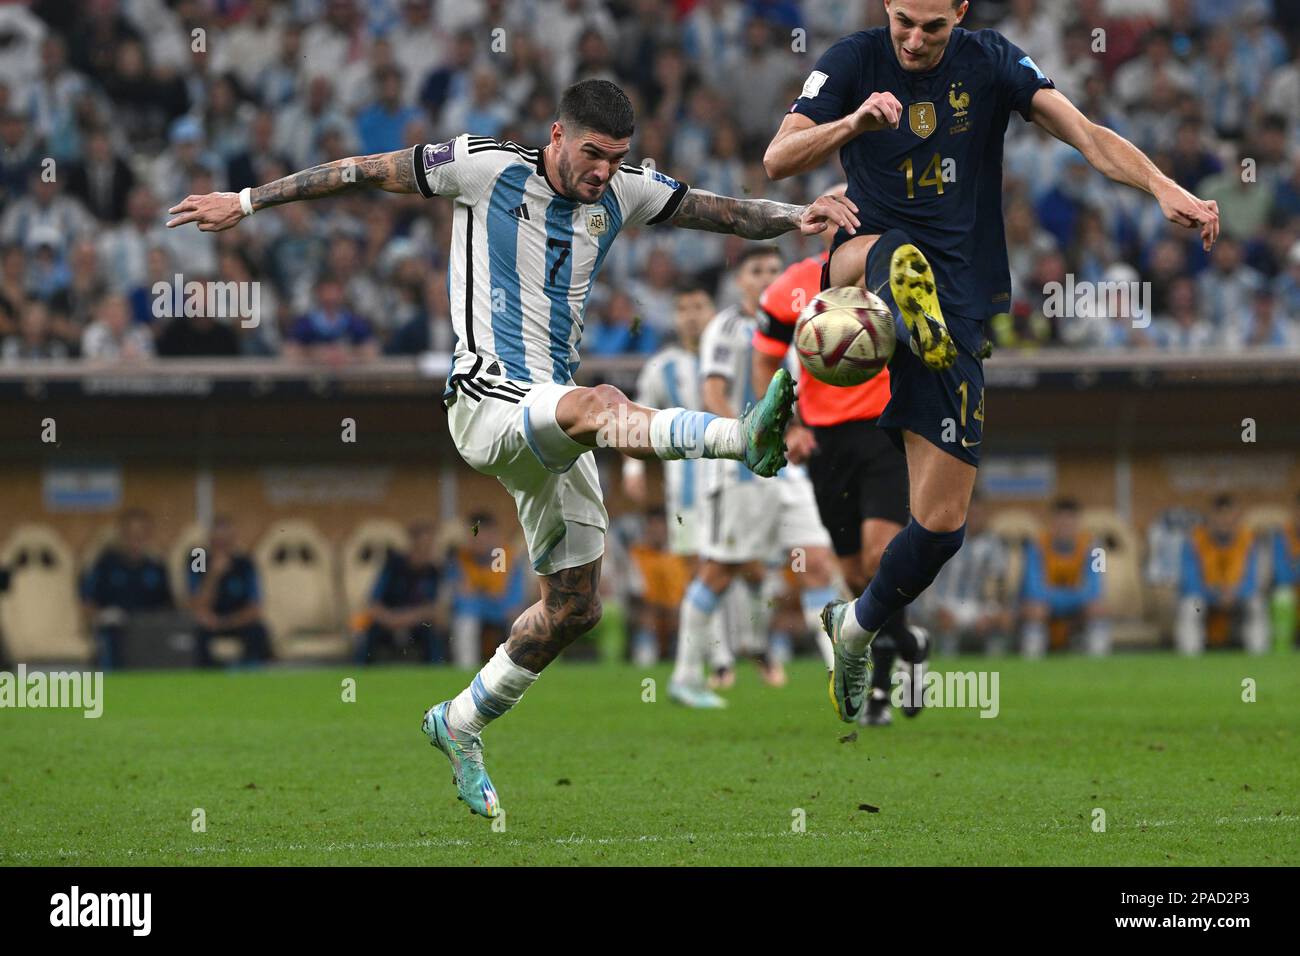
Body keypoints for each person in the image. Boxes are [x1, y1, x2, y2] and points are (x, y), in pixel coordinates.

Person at [166, 76, 860, 818]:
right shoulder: (483, 166)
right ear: (557, 137)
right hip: (487, 399)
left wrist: (798, 213)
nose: (603, 171)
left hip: (553, 420)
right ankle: (741, 436)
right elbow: (361, 170)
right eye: (592, 154)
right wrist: (243, 202)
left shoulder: (623, 190)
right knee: (603, 403)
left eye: (616, 157)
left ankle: (459, 723)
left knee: (574, 608)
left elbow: (719, 213)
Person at [763, 0, 1219, 723]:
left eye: (932, 27)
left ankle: (855, 626)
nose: (914, 40)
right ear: (887, 6)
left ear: (961, 15)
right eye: (904, 21)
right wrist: (853, 124)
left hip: (959, 307)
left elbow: (1089, 137)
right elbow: (778, 156)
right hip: (864, 272)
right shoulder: (853, 60)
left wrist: (1165, 186)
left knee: (942, 528)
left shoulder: (992, 62)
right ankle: (902, 300)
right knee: (882, 252)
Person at [752, 199, 928, 726]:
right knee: (852, 575)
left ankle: (881, 684)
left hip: (882, 429)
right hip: (823, 441)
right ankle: (907, 639)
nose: (840, 231)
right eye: (831, 221)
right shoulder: (792, 286)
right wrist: (790, 425)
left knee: (879, 558)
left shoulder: (890, 272)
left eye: (850, 221)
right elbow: (764, 357)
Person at [1176, 494, 1268, 655]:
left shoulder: (1247, 539)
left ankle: (1258, 656)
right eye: (1219, 516)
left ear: (1235, 517)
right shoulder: (1195, 540)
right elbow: (1190, 582)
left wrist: (1235, 593)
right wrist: (1215, 594)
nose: (1224, 522)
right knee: (1191, 606)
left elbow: (1252, 580)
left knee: (1256, 604)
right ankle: (1190, 658)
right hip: (1204, 598)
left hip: (1238, 597)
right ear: (1210, 517)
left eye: (1228, 516)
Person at [1019, 498, 1109, 657]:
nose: (1065, 527)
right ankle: (1032, 660)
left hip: (1075, 606)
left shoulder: (1096, 548)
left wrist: (1063, 598)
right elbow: (1032, 590)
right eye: (1060, 522)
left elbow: (1096, 589)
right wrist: (1072, 595)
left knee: (1098, 607)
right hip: (1046, 607)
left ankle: (1098, 661)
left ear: (1078, 523)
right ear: (1052, 523)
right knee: (1035, 608)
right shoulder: (1035, 546)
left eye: (1070, 522)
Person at [83, 509, 172, 669]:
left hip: (147, 630)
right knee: (110, 636)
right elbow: (89, 602)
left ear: (148, 537)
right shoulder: (106, 564)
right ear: (122, 536)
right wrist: (99, 617)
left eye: (141, 535)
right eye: (130, 535)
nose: (135, 541)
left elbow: (168, 607)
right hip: (113, 628)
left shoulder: (157, 567)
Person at [355, 519, 445, 664]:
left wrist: (405, 619)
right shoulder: (393, 565)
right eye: (423, 546)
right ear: (413, 544)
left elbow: (433, 610)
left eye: (430, 546)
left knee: (432, 635)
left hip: (416, 624)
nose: (427, 551)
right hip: (387, 621)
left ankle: (435, 677)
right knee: (367, 634)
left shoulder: (434, 572)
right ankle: (359, 677)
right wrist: (391, 619)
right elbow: (373, 603)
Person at [188, 516, 271, 667]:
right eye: (217, 541)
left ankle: (254, 676)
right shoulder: (197, 557)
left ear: (233, 540)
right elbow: (196, 604)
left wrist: (227, 622)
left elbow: (255, 607)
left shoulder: (245, 562)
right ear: (210, 539)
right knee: (196, 635)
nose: (221, 545)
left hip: (236, 620)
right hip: (208, 622)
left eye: (226, 541)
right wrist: (213, 575)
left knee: (259, 632)